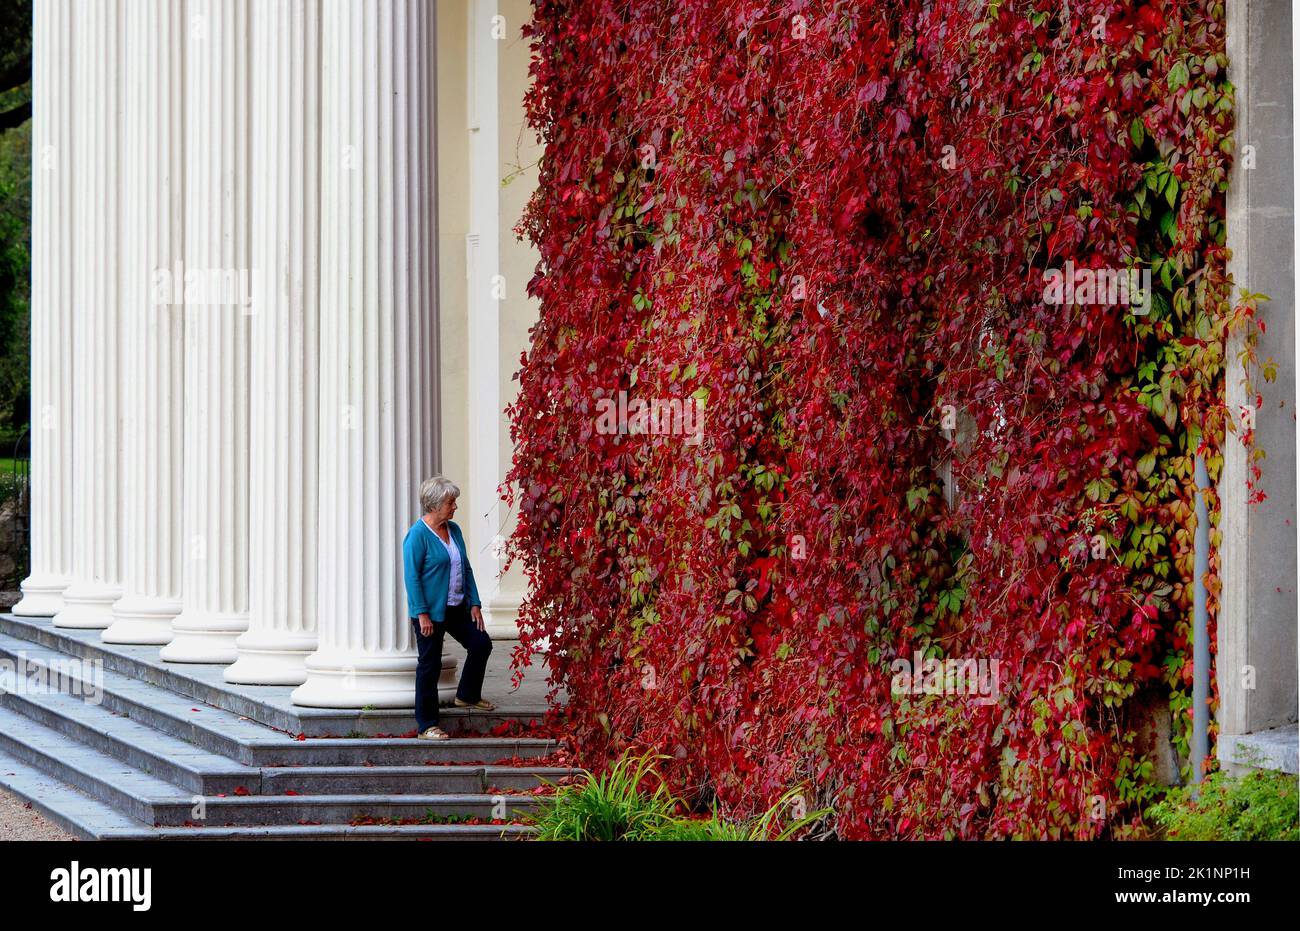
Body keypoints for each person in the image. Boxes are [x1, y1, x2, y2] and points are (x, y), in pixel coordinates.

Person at [402, 476, 494, 740]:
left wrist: (474, 602)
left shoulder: (454, 530)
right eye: (450, 502)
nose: (454, 507)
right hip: (429, 612)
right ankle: (427, 725)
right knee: (429, 666)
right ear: (434, 505)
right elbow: (412, 578)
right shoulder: (417, 536)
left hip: (457, 606)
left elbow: (465, 567)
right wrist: (422, 614)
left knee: (481, 644)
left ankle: (467, 695)